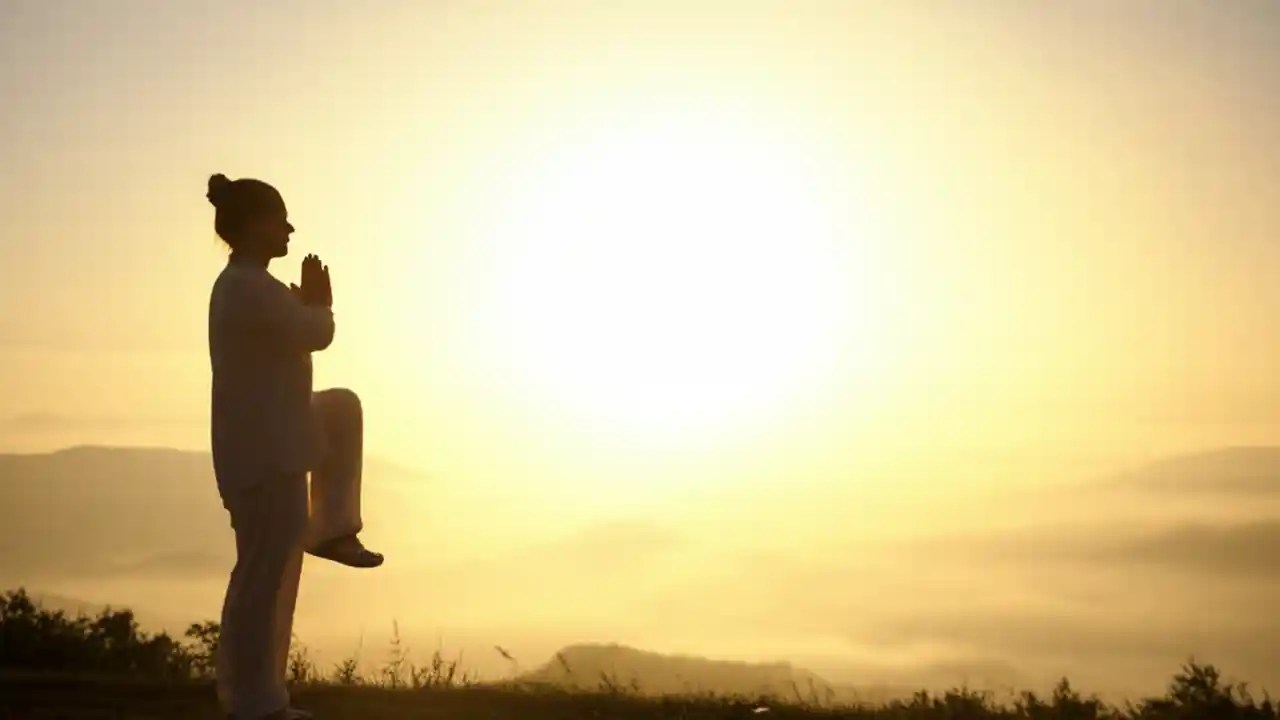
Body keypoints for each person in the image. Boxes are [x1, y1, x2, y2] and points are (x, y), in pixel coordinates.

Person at [205, 173, 383, 720]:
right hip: (265, 456)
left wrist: (306, 306)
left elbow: (295, 329)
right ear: (256, 225)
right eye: (280, 218)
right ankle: (254, 704)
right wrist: (321, 305)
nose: (289, 228)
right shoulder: (248, 286)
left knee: (341, 408)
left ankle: (331, 526)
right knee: (263, 582)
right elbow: (316, 333)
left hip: (275, 437)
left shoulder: (251, 286)